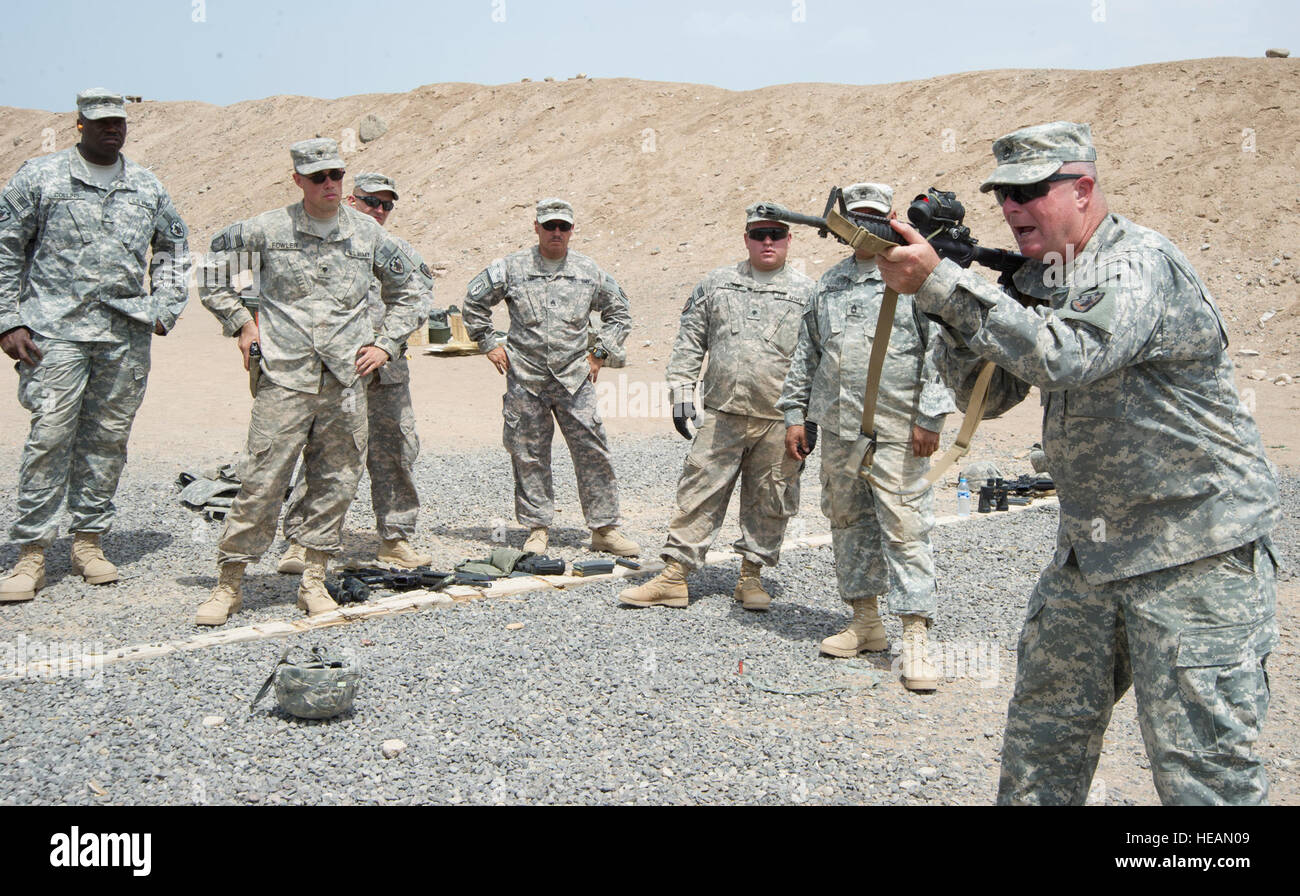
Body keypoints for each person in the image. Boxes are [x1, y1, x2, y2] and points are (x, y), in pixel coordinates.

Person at [875, 121, 1280, 804]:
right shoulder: (1046, 278)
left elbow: (1066, 356)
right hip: (1091, 557)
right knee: (1041, 749)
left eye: (1031, 190)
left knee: (1204, 778)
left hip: (1193, 558)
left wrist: (949, 289)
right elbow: (997, 391)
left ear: (1083, 188)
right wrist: (949, 309)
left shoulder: (1134, 263)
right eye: (1005, 195)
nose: (1013, 208)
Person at [195, 139, 429, 626]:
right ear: (298, 179)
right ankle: (229, 584)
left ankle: (314, 580)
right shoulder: (266, 229)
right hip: (285, 378)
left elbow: (411, 290)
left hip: (346, 381)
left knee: (335, 481)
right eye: (318, 176)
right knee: (262, 479)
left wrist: (387, 342)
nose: (329, 184)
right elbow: (213, 271)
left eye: (336, 175)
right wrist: (242, 322)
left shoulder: (368, 234)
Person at [0, 88, 190, 603]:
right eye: (101, 122)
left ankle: (88, 541)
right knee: (50, 437)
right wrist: (7, 319)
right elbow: (6, 248)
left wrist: (163, 309)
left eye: (119, 122)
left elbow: (174, 249)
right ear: (79, 125)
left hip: (124, 335)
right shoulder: (39, 176)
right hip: (54, 332)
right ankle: (32, 553)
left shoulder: (146, 185)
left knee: (108, 438)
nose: (112, 129)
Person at [777, 182, 955, 691]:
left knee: (904, 527)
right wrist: (796, 414)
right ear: (843, 222)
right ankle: (865, 622)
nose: (866, 226)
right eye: (857, 216)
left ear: (893, 216)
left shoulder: (913, 277)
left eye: (876, 216)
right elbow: (807, 353)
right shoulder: (829, 284)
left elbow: (938, 352)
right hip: (839, 431)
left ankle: (915, 636)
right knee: (848, 521)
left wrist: (932, 417)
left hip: (900, 428)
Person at [618, 204, 814, 611]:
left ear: (789, 240)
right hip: (722, 412)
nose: (767, 242)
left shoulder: (809, 294)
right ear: (746, 238)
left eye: (775, 235)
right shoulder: (717, 283)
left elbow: (820, 360)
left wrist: (808, 418)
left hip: (779, 420)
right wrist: (682, 394)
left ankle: (751, 576)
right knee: (699, 491)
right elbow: (691, 340)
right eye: (758, 234)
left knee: (771, 499)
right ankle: (674, 577)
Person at [278, 172, 437, 573]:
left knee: (397, 452)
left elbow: (419, 297)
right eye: (371, 202)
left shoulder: (396, 249)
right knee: (325, 454)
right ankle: (301, 541)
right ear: (351, 200)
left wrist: (386, 344)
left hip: (387, 372)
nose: (379, 211)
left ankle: (394, 538)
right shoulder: (321, 246)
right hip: (333, 372)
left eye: (387, 205)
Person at [461, 198, 637, 557]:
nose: (556, 232)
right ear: (536, 227)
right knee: (529, 454)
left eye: (563, 227)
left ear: (572, 230)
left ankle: (604, 528)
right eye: (550, 226)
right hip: (526, 379)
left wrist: (600, 353)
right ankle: (537, 528)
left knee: (593, 452)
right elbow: (473, 302)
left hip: (574, 379)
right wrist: (488, 342)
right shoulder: (510, 268)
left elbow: (620, 312)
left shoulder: (590, 271)